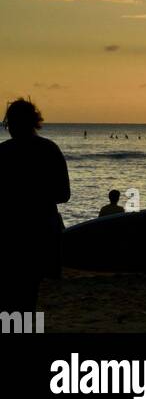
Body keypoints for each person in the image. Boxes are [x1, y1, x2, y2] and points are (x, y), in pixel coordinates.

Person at [0, 98, 70, 312]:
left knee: (11, 296)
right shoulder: (49, 149)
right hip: (41, 233)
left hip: (10, 233)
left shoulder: (2, 152)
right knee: (28, 296)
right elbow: (64, 194)